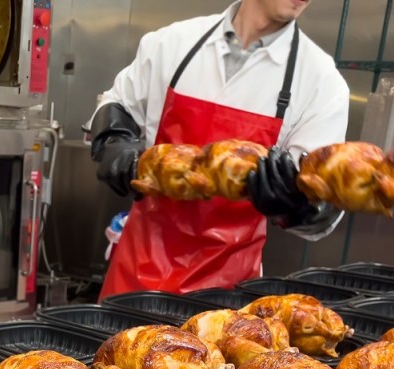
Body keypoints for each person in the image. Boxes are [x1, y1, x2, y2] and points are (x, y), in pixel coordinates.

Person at [89, 0, 350, 298]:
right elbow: (117, 103)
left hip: (226, 297)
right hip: (137, 273)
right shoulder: (171, 44)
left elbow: (323, 205)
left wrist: (294, 203)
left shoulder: (321, 81)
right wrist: (117, 147)